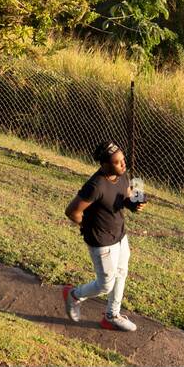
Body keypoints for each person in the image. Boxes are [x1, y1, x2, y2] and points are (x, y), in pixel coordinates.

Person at [62, 141, 146, 331]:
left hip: (119, 235)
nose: (123, 165)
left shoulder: (122, 175)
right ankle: (74, 295)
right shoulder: (95, 185)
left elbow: (125, 194)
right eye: (118, 162)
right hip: (101, 241)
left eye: (123, 160)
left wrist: (133, 203)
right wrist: (87, 227)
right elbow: (72, 211)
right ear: (105, 164)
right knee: (105, 285)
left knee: (121, 272)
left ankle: (112, 315)